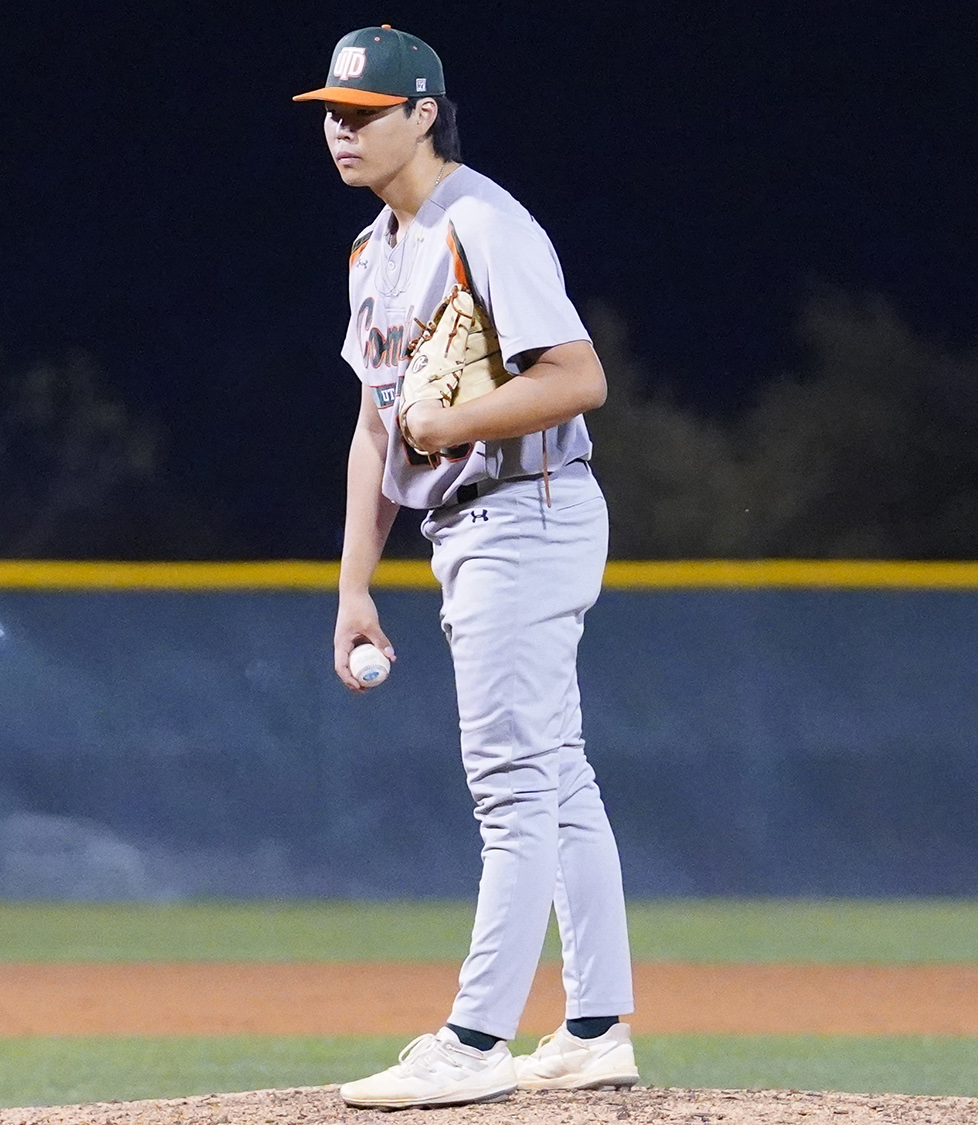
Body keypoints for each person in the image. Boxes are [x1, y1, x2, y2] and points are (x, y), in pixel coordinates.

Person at [293, 25, 639, 1110]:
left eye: (362, 113)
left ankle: (476, 1039)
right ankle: (592, 1028)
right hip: (467, 530)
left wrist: (456, 420)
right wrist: (355, 587)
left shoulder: (482, 224)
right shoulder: (372, 254)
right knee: (556, 776)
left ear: (422, 114)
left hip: (526, 510)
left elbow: (578, 376)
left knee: (510, 785)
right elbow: (372, 429)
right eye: (331, 115)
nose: (340, 131)